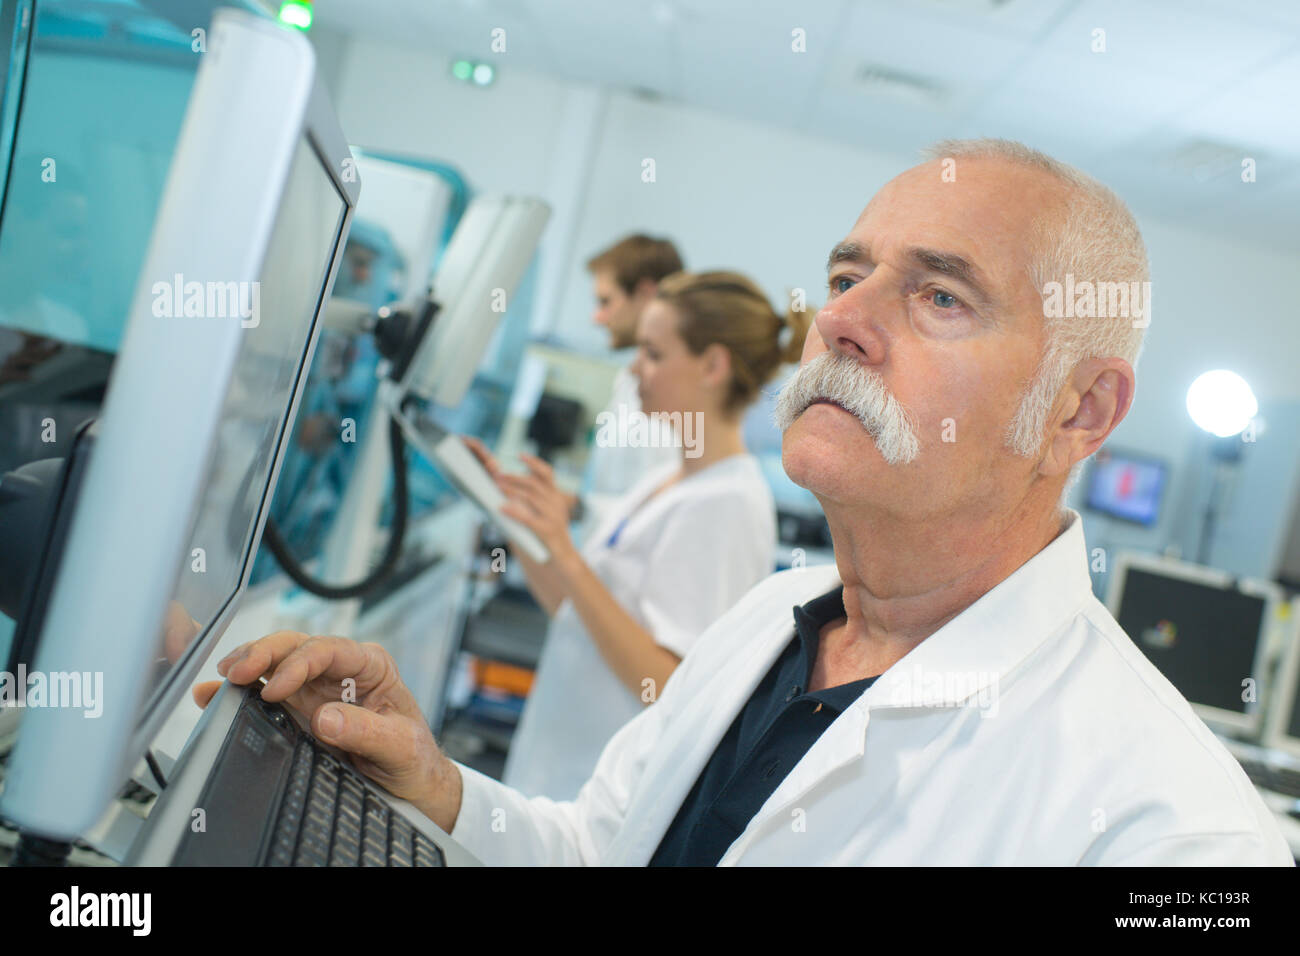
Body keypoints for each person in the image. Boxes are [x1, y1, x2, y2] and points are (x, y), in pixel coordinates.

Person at [199, 138, 1293, 864]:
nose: (841, 321)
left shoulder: (1174, 833)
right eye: (845, 274)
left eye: (941, 295)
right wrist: (436, 781)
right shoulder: (771, 620)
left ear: (1077, 412)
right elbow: (599, 848)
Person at [466, 270, 808, 799]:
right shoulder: (670, 478)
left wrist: (567, 555)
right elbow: (572, 611)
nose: (635, 367)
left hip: (595, 795)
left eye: (652, 353)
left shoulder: (728, 504)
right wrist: (516, 517)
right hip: (552, 768)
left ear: (713, 365)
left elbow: (670, 685)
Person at [577, 235, 684, 526]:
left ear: (646, 294)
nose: (597, 318)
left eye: (605, 301)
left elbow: (658, 515)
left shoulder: (672, 391)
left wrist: (575, 509)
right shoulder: (630, 377)